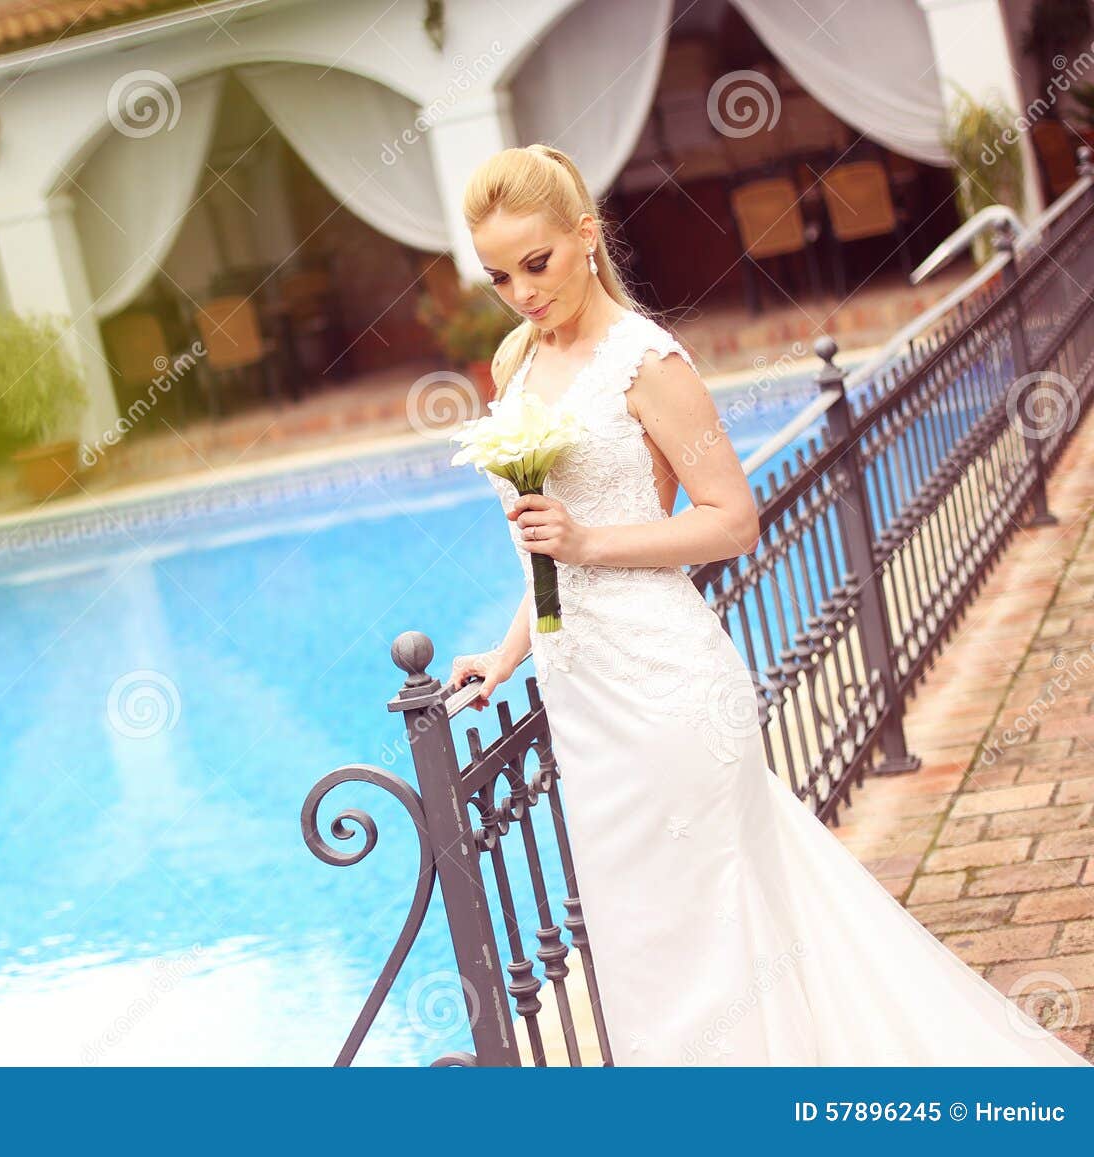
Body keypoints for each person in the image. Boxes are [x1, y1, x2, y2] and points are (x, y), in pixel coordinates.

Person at [446, 143, 1089, 1066]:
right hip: (584, 702)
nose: (520, 291)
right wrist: (507, 653)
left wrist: (587, 543)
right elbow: (552, 550)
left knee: (712, 930)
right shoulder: (516, 363)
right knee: (642, 939)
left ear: (586, 235)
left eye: (536, 263)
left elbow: (733, 520)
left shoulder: (648, 361)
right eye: (499, 274)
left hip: (668, 692)